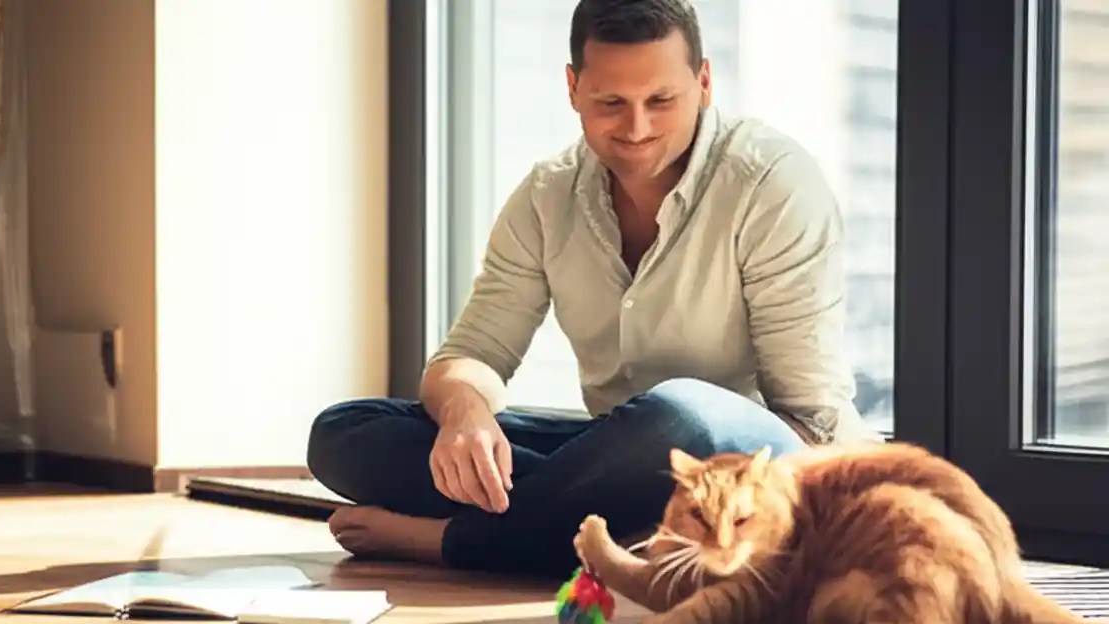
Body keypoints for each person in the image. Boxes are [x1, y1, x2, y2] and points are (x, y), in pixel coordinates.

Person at [307, 0, 878, 579]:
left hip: (758, 461)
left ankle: (459, 541)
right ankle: (618, 530)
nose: (637, 128)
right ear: (573, 88)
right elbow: (472, 354)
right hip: (621, 453)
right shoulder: (547, 196)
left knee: (679, 412)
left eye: (661, 100)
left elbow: (807, 420)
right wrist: (465, 416)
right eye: (610, 103)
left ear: (703, 83)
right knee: (346, 433)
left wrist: (706, 480)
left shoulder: (771, 184)